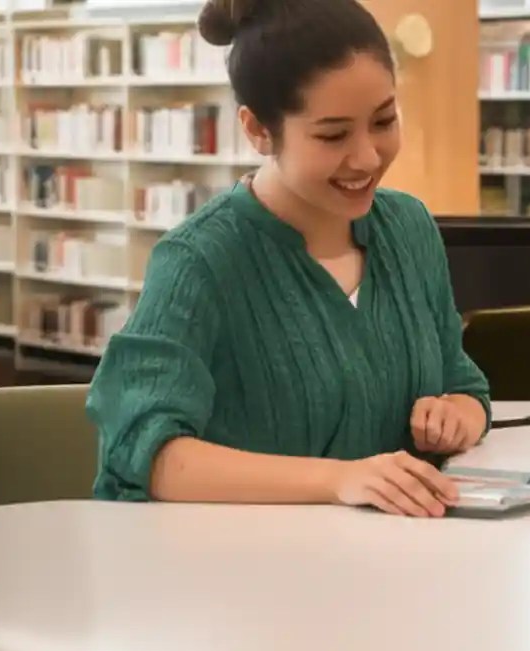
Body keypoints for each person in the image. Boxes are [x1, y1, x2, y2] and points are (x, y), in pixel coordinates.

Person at [85, 0, 491, 518]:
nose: (367, 156)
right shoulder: (200, 261)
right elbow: (147, 451)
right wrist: (339, 479)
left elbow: (464, 385)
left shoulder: (409, 228)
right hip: (244, 576)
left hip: (397, 566)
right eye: (333, 135)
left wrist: (457, 415)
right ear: (257, 130)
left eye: (384, 120)